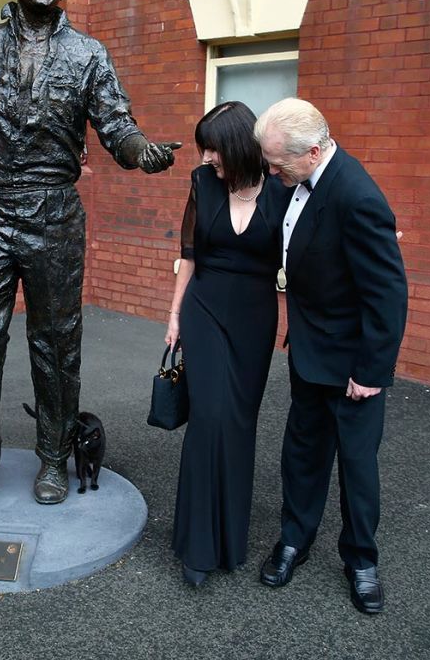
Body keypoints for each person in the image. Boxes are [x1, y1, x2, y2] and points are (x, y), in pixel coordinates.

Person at [0, 0, 180, 505]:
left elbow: (117, 126)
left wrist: (142, 153)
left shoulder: (88, 54)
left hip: (55, 216)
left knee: (58, 344)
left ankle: (54, 458)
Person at [254, 98, 408, 615]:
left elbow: (387, 293)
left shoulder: (357, 195)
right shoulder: (293, 180)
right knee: (302, 453)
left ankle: (361, 559)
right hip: (309, 352)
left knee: (357, 467)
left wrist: (370, 371)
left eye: (278, 162)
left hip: (351, 367)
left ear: (314, 150)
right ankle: (295, 539)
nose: (271, 171)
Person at [162, 101, 284, 587]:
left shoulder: (282, 189)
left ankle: (230, 538)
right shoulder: (201, 182)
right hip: (204, 309)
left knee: (238, 424)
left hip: (255, 319)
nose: (207, 156)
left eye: (213, 147)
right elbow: (189, 254)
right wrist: (173, 315)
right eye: (203, 148)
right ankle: (197, 546)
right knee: (209, 418)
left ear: (237, 145)